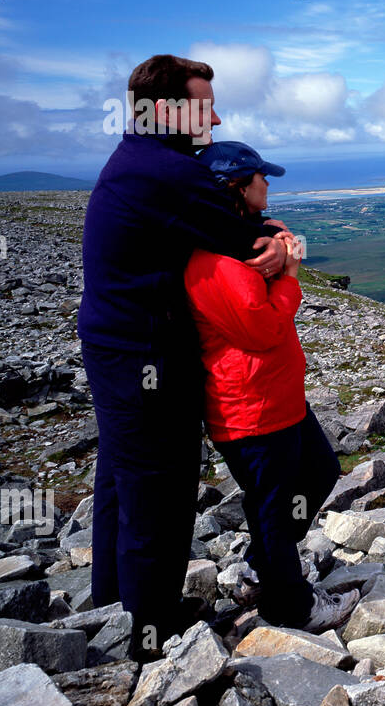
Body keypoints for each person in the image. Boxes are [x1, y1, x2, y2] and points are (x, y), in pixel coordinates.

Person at [79, 54, 290, 661]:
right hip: (146, 351)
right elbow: (241, 235)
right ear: (167, 110)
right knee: (159, 486)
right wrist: (277, 246)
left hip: (118, 343)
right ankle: (154, 637)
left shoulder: (140, 162)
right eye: (205, 105)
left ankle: (117, 608)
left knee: (123, 474)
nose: (216, 118)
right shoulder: (165, 171)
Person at [184, 141, 359, 632]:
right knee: (274, 511)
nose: (269, 184)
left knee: (320, 471)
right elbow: (263, 331)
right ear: (239, 186)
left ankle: (263, 568)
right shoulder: (215, 263)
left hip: (278, 400)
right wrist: (291, 276)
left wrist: (280, 240)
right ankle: (293, 607)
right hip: (250, 409)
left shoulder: (243, 238)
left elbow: (270, 236)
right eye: (262, 177)